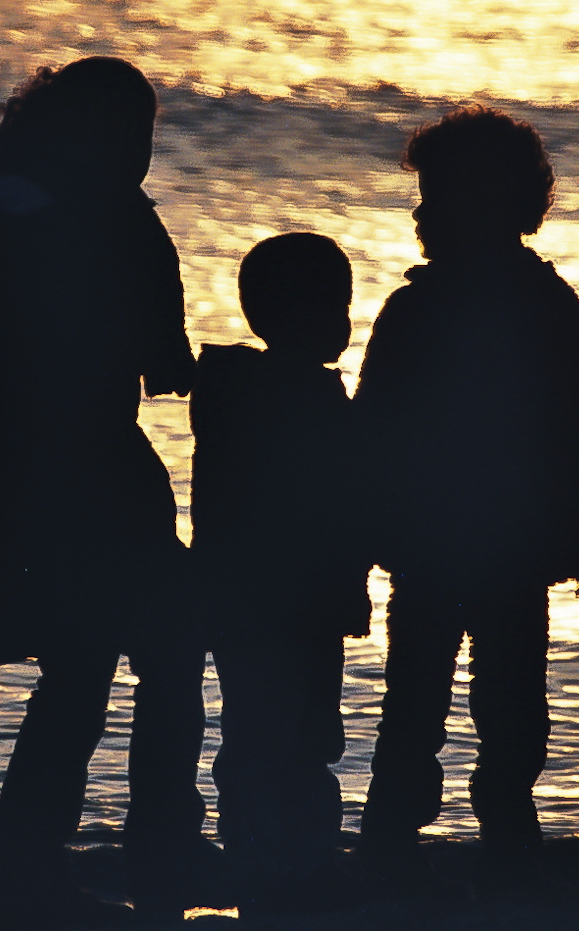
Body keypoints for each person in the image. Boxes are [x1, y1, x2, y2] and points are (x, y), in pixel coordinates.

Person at [0, 57, 211, 929]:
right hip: (58, 457)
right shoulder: (39, 203)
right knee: (106, 661)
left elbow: (164, 355)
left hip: (73, 453)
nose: (139, 152)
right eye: (129, 134)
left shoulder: (66, 204)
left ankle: (107, 852)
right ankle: (97, 855)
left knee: (125, 658)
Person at [356, 107, 579, 892]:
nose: (421, 214)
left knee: (490, 701)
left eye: (436, 198)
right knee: (431, 698)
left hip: (487, 546)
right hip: (459, 547)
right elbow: (377, 431)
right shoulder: (455, 305)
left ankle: (482, 828)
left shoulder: (498, 307)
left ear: (494, 205)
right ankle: (407, 831)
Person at [188, 233, 372, 917]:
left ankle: (273, 858)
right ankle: (287, 861)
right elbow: (339, 503)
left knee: (274, 731)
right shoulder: (299, 399)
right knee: (287, 733)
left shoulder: (237, 392)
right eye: (337, 306)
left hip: (262, 603)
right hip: (290, 604)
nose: (347, 322)